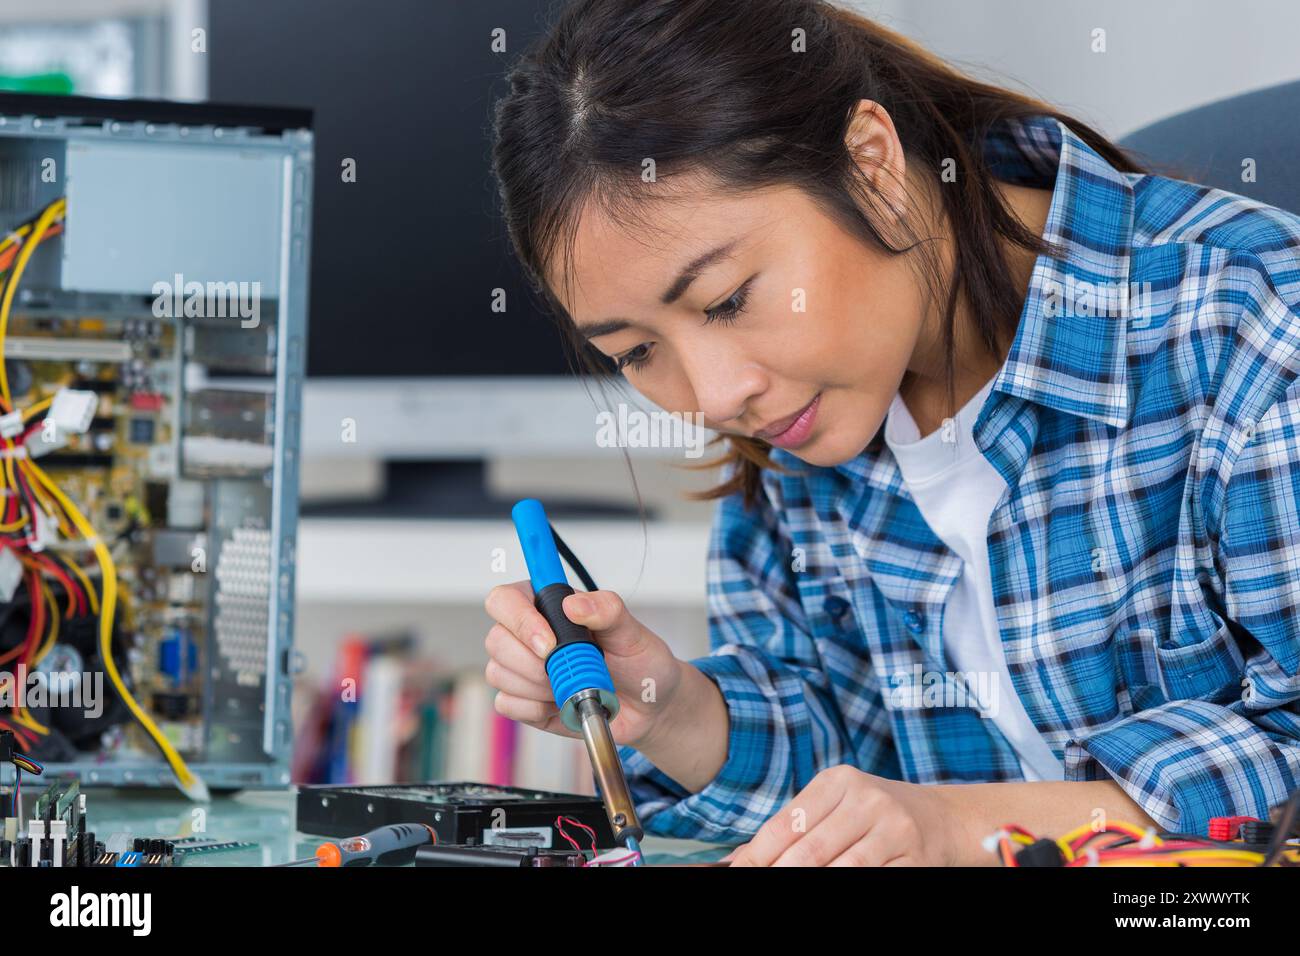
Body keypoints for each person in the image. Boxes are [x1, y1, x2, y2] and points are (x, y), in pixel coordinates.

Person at [483, 0, 1300, 865]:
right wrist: (671, 707)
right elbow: (848, 772)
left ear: (871, 163)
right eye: (638, 351)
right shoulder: (801, 432)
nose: (717, 396)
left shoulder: (1255, 327)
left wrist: (965, 830)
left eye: (727, 300)